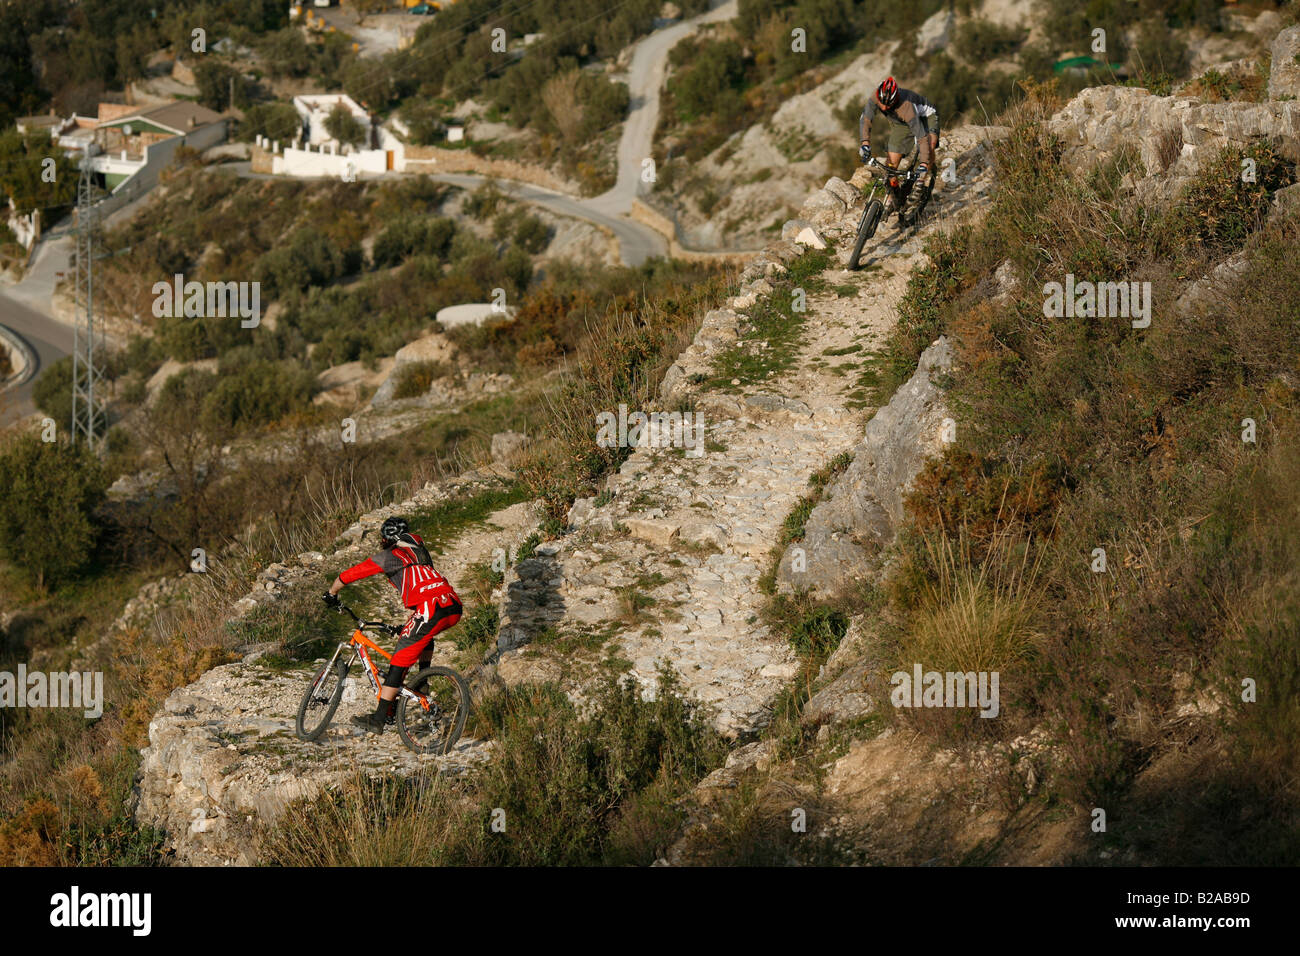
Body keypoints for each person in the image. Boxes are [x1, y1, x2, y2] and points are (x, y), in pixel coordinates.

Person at [323, 516, 462, 734]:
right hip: (452, 604)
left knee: (399, 659)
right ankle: (423, 678)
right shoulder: (421, 552)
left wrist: (332, 593)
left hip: (431, 607)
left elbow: (352, 574)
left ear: (385, 538)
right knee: (421, 636)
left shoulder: (389, 556)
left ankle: (379, 718)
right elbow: (426, 587)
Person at [858, 76, 940, 221]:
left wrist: (922, 164)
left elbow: (921, 137)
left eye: (888, 105)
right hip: (901, 123)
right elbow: (866, 119)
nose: (883, 108)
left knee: (929, 143)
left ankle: (922, 180)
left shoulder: (906, 106)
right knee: (891, 167)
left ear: (895, 101)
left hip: (925, 117)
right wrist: (865, 143)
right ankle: (893, 198)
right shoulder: (875, 97)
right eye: (882, 104)